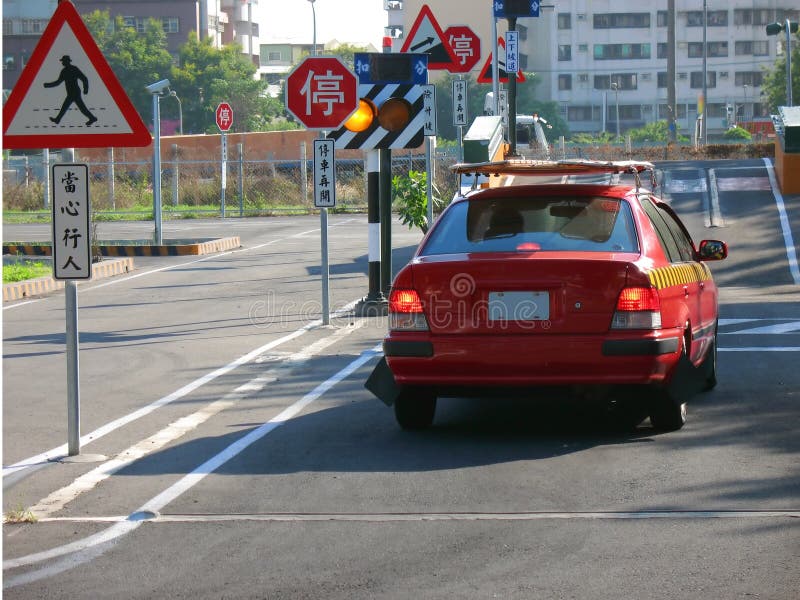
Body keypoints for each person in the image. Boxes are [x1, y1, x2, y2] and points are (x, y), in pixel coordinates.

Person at [44, 55, 97, 126]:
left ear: (67, 61)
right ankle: (92, 118)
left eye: (63, 61)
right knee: (75, 107)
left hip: (75, 92)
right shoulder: (64, 71)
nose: (62, 62)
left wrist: (86, 89)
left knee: (71, 106)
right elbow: (58, 82)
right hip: (71, 92)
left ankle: (58, 119)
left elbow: (84, 78)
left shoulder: (74, 69)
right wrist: (47, 85)